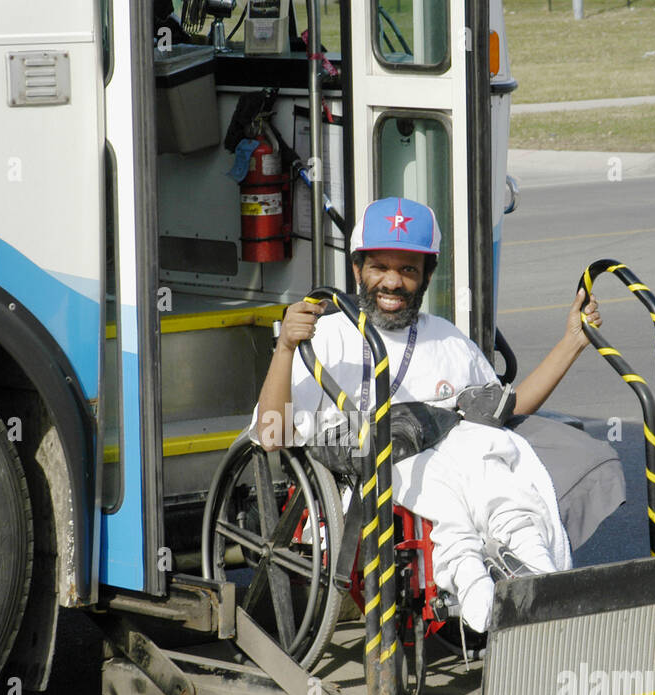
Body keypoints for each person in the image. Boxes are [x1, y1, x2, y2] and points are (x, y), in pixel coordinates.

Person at [252, 197, 616, 633]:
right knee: (439, 475)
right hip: (356, 482)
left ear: (426, 276)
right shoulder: (324, 335)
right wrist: (286, 347)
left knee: (487, 448)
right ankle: (476, 591)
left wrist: (573, 341)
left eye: (408, 270)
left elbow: (507, 408)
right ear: (356, 270)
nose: (392, 282)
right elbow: (271, 436)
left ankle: (535, 570)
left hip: (455, 467)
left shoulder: (446, 339)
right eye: (380, 267)